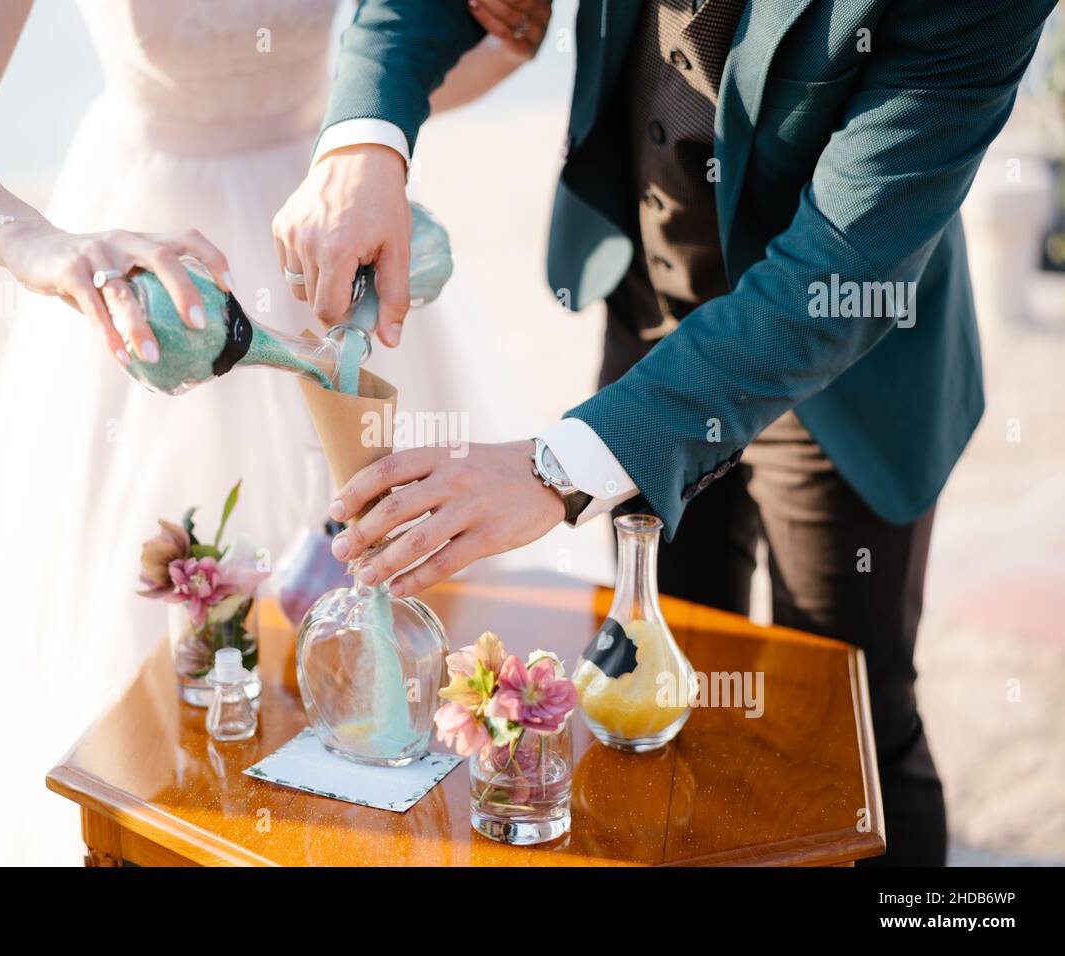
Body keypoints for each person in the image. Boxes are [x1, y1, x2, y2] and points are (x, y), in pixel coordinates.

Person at [0, 0, 551, 865]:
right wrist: (40, 248)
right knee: (151, 628)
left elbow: (386, 68)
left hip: (319, 222)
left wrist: (508, 50)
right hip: (151, 267)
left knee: (400, 589)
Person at [273, 0, 1057, 865]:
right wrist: (364, 139)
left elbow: (837, 269)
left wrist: (553, 470)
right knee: (650, 688)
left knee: (855, 728)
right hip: (647, 313)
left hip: (845, 362)